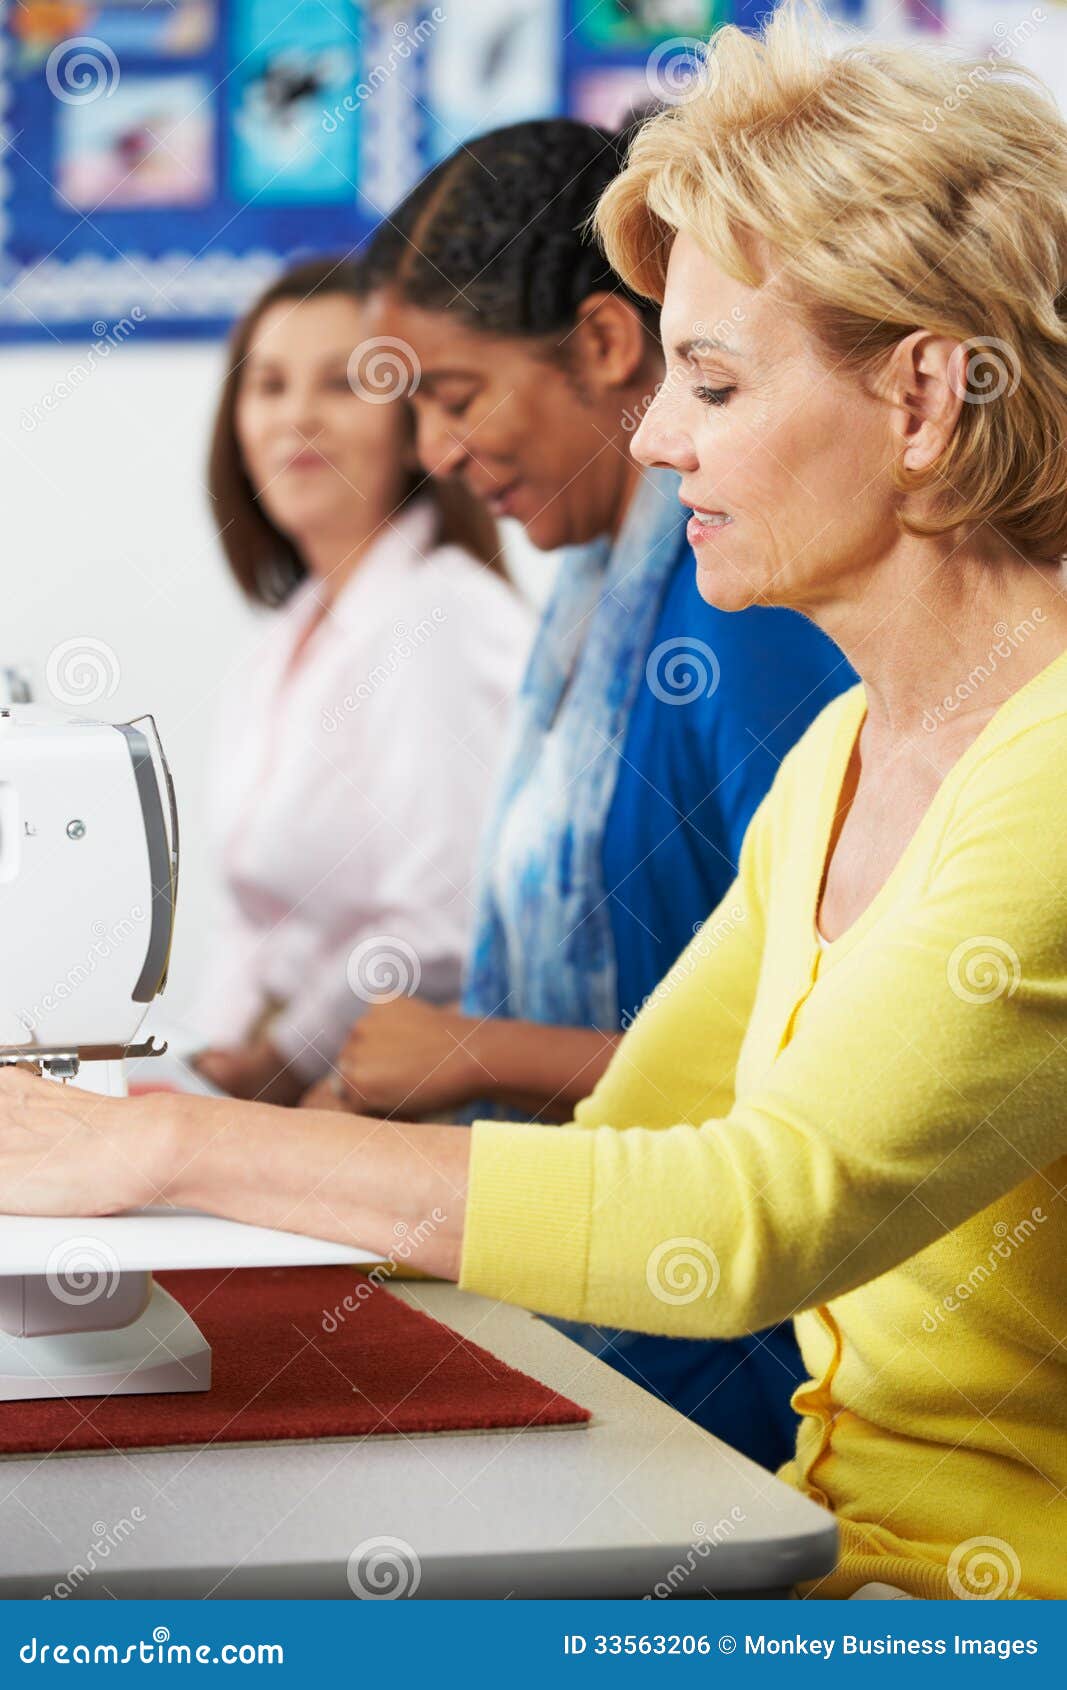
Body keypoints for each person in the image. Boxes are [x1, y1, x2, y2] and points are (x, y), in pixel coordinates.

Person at [5, 0, 1066, 1599]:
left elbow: (740, 1217)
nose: (649, 439)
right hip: (832, 1553)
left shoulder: (1044, 776)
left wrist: (153, 1152)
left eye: (706, 383)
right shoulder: (833, 762)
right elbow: (632, 1140)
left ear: (919, 403)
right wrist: (168, 1195)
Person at [298, 117, 854, 1469]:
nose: (428, 450)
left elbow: (828, 1094)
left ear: (608, 346)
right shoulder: (592, 607)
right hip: (616, 1314)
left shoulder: (732, 620)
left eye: (454, 393)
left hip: (734, 1383)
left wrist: (482, 1054)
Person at [187, 257, 532, 1104]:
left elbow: (443, 923)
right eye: (267, 386)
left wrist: (288, 1056)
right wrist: (205, 1064)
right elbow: (251, 919)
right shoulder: (281, 640)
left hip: (409, 1101)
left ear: (410, 421)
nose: (296, 416)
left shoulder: (441, 615)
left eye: (343, 383)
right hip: (285, 1089)